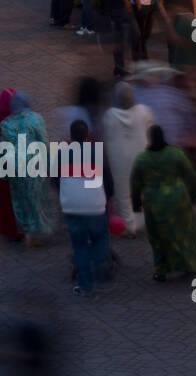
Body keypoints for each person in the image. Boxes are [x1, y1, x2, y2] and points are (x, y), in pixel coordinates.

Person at [130, 124, 196, 282]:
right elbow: (191, 176)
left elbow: (135, 184)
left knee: (157, 238)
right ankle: (189, 264)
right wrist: (192, 197)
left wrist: (136, 205)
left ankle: (161, 270)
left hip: (154, 204)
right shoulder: (176, 154)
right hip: (178, 200)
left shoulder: (142, 160)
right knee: (184, 233)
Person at [58, 120, 110, 298]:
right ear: (87, 136)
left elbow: (55, 181)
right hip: (95, 205)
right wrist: (108, 197)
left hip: (72, 207)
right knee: (99, 237)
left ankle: (85, 286)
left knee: (79, 246)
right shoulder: (97, 153)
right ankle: (101, 260)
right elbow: (108, 181)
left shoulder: (62, 154)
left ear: (71, 136)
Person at [102, 82, 151, 238]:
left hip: (119, 162)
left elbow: (105, 136)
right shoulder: (143, 111)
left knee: (123, 196)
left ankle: (130, 227)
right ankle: (143, 221)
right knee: (141, 191)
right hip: (141, 159)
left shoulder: (109, 115)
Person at [2, 93, 52, 243]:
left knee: (21, 200)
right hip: (34, 166)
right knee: (36, 198)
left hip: (16, 168)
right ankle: (39, 232)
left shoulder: (6, 124)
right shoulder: (36, 119)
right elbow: (44, 142)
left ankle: (27, 231)